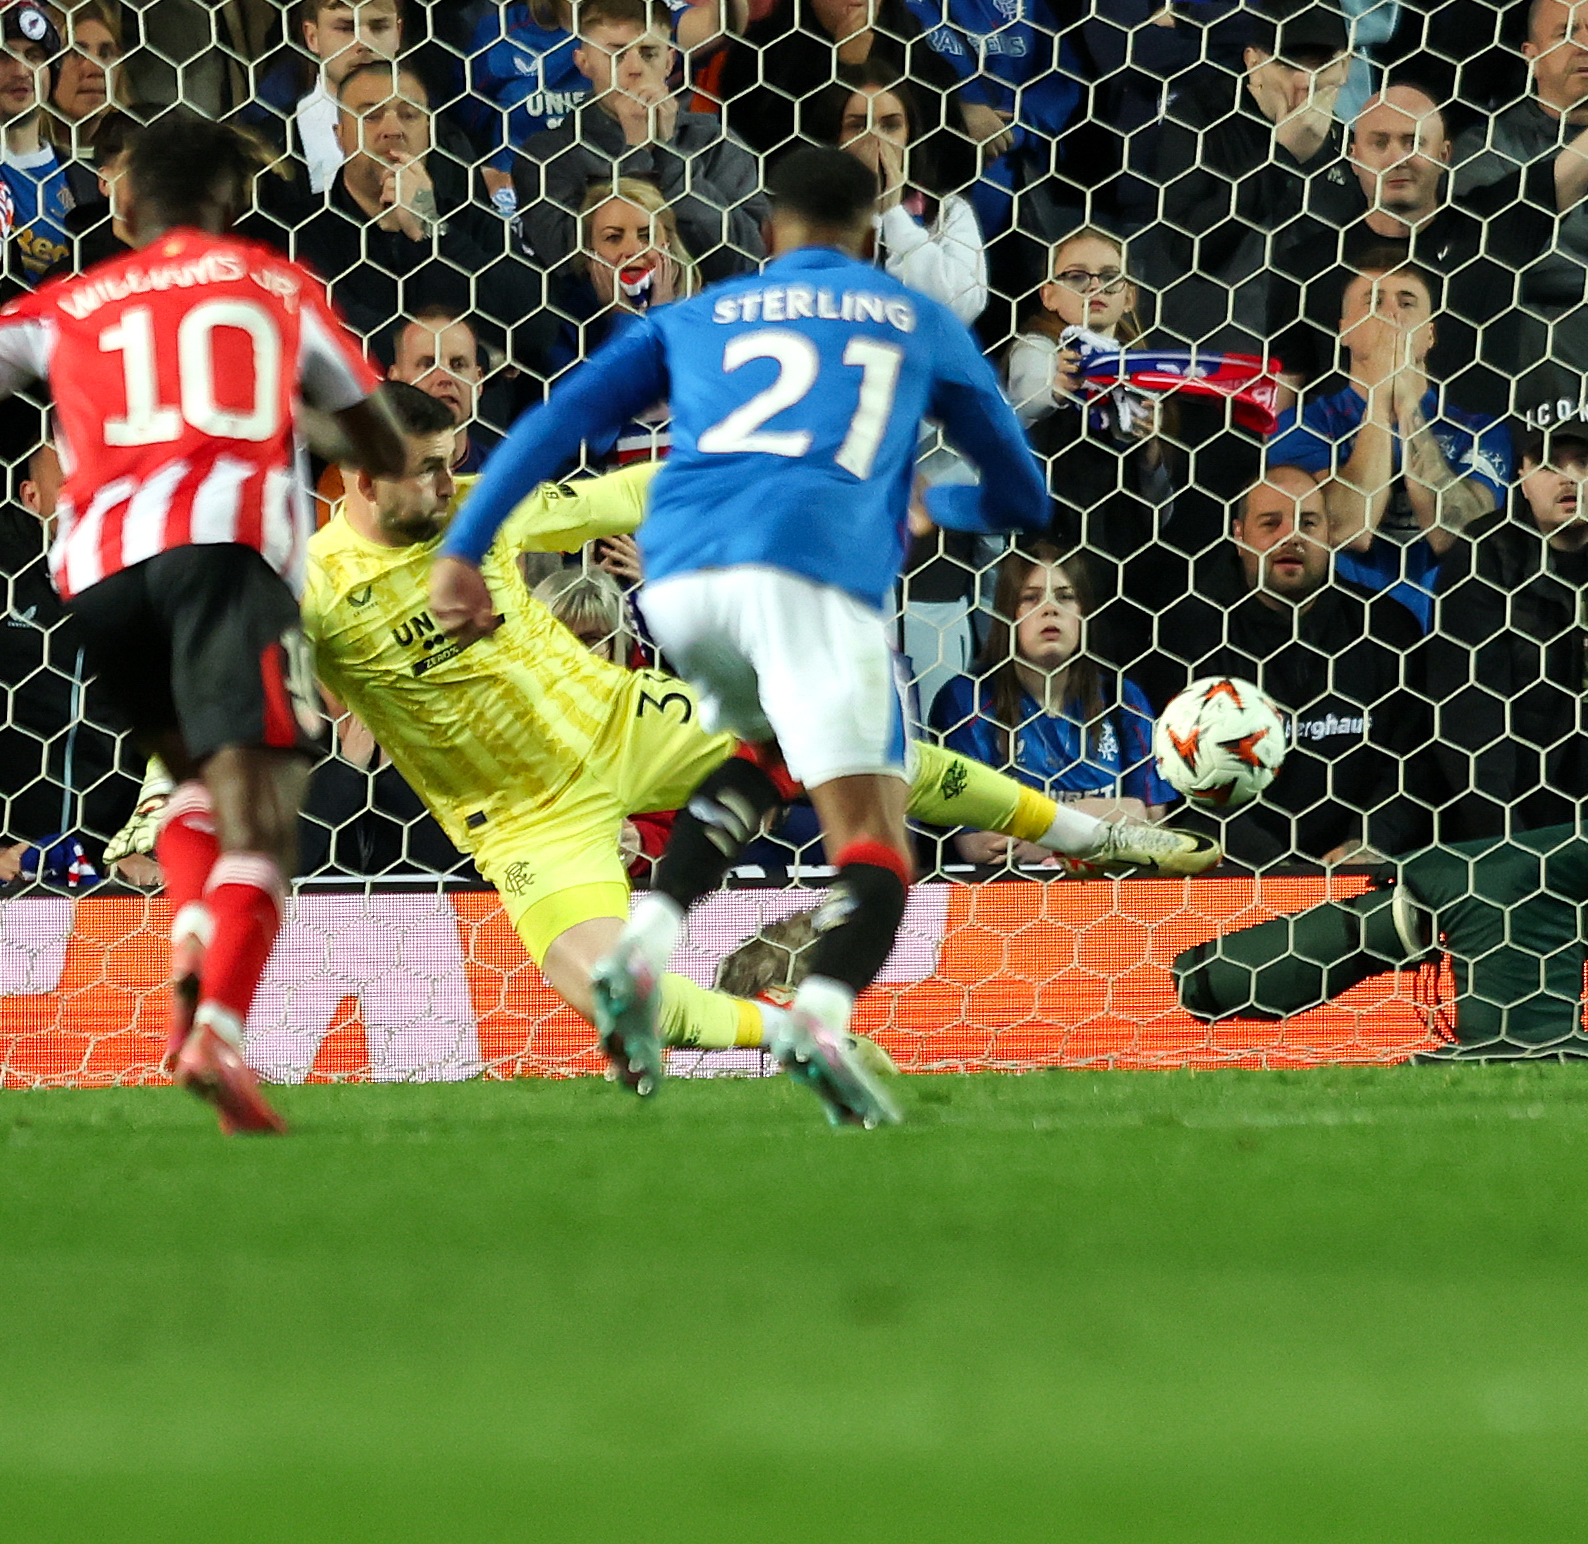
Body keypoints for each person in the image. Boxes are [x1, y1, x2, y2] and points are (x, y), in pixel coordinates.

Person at [427, 142, 1052, 1126]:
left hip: (677, 585)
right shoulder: (913, 319)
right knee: (877, 844)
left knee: (765, 756)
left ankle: (647, 935)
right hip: (805, 580)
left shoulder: (698, 313)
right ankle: (817, 1014)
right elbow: (1026, 493)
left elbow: (553, 427)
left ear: (767, 232)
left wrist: (463, 545)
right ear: (869, 231)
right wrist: (936, 500)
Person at [304, 408, 1199, 1065]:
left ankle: (1095, 838)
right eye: (419, 473)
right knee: (608, 993)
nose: (439, 487)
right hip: (525, 819)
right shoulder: (312, 589)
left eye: (443, 464)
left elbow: (621, 492)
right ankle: (790, 1035)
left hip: (624, 724)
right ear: (355, 474)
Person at [0, 117, 418, 1135]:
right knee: (269, 810)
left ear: (120, 209)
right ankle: (216, 1021)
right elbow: (380, 432)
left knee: (195, 786)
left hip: (98, 578)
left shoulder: (70, 297)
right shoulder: (276, 287)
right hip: (225, 551)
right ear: (233, 204)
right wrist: (344, 430)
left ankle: (193, 932)